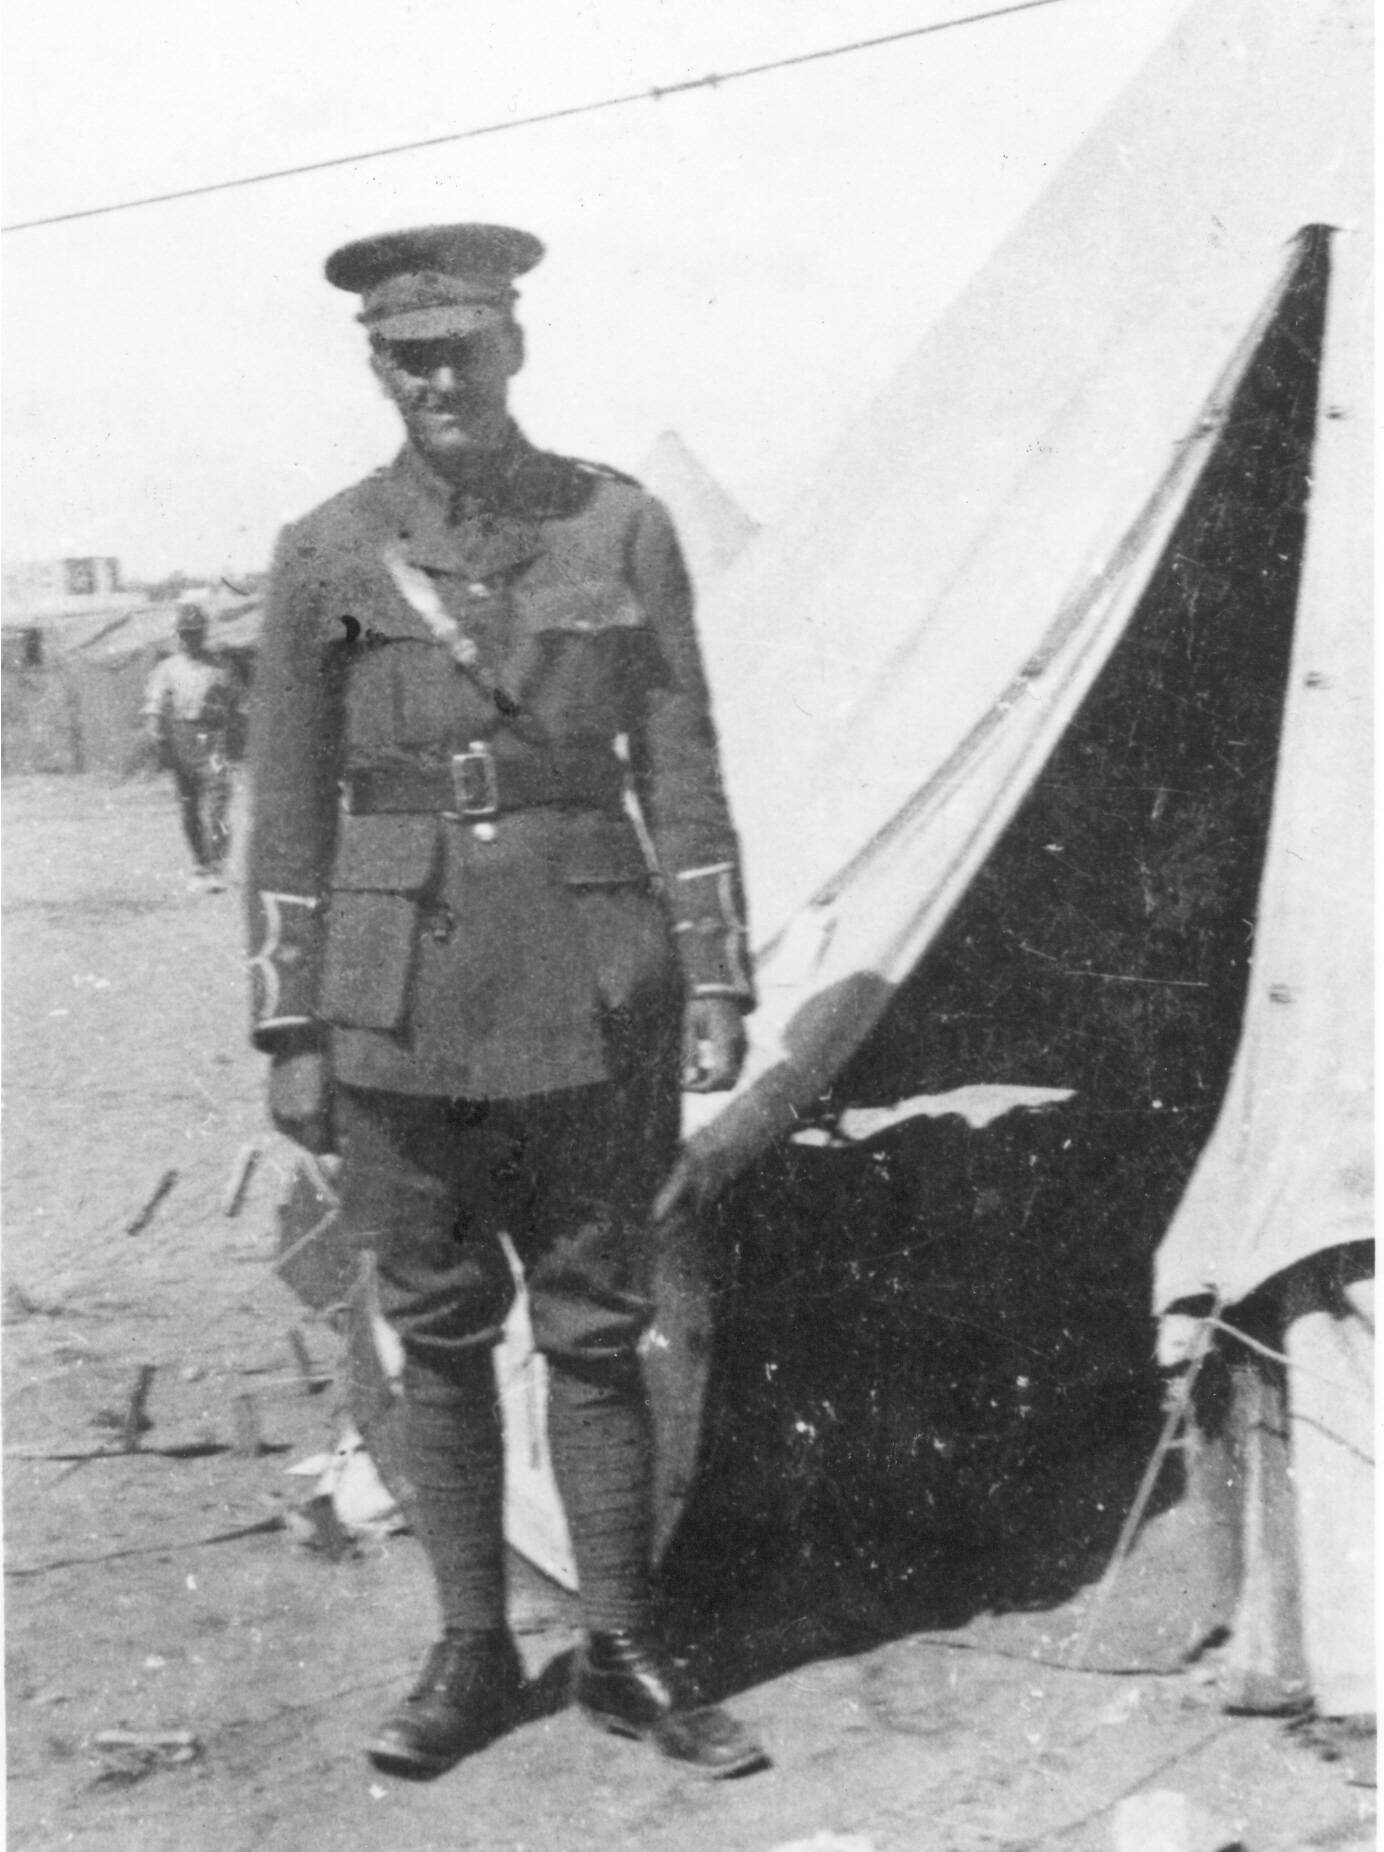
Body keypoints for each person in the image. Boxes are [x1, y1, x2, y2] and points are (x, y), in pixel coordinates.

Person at [245, 224, 765, 1780]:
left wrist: (717, 970)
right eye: (412, 355)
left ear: (516, 349)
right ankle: (471, 1649)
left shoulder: (616, 524)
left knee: (601, 1329)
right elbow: (286, 802)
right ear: (376, 365)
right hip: (394, 993)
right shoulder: (329, 550)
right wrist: (289, 1026)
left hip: (598, 979)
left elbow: (679, 755)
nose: (442, 378)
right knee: (438, 1328)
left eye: (467, 347)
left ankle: (622, 1643)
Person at [141, 603, 236, 890]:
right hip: (181, 738)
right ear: (176, 635)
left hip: (212, 737)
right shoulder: (167, 668)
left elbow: (239, 703)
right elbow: (154, 707)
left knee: (218, 804)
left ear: (204, 633)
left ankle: (217, 864)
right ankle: (200, 865)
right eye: (184, 633)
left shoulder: (221, 666)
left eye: (195, 633)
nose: (189, 639)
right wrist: (157, 736)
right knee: (189, 807)